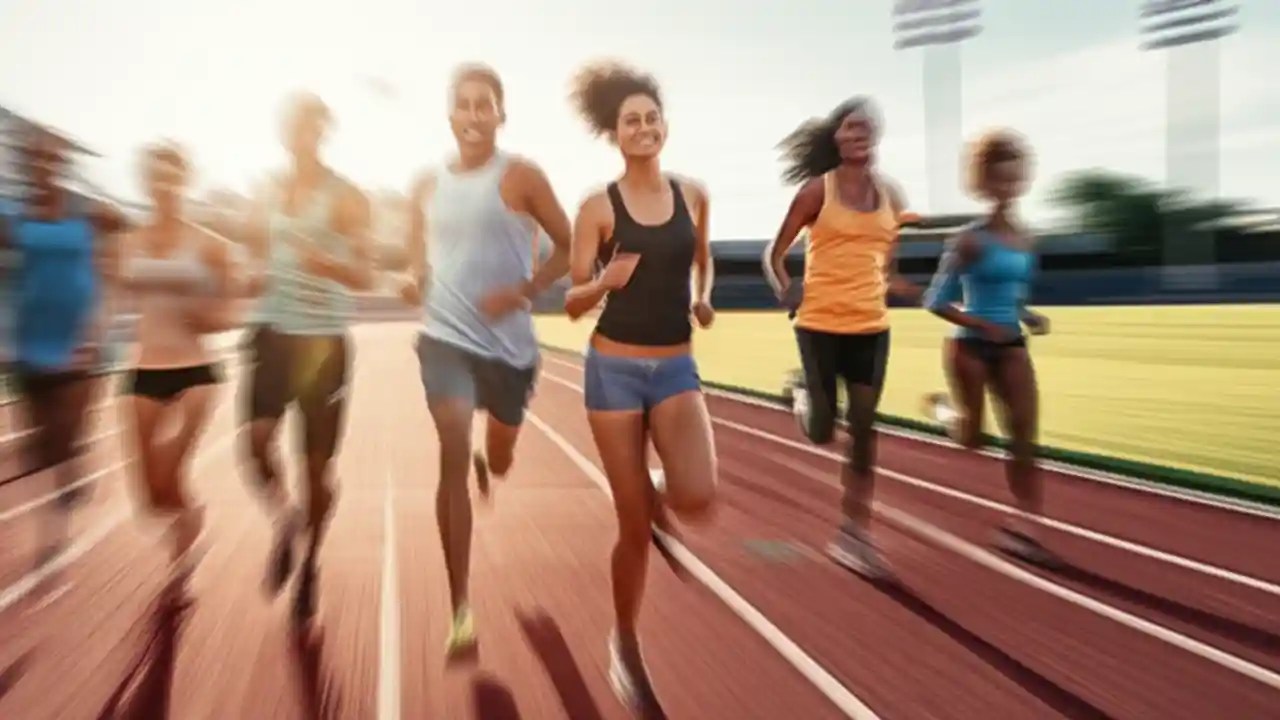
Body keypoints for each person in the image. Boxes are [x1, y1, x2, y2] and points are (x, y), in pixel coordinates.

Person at [398, 63, 572, 659]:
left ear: (501, 114)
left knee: (499, 458)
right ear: (450, 114)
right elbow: (413, 245)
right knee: (450, 448)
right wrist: (414, 275)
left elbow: (569, 246)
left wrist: (525, 289)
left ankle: (488, 459)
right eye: (464, 104)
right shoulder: (425, 182)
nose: (473, 115)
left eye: (484, 105)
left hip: (509, 350)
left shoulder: (522, 176)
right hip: (444, 338)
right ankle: (460, 609)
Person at [563, 61, 717, 719]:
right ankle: (624, 639)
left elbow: (703, 258)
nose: (644, 128)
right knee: (631, 526)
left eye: (652, 117)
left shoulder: (695, 195)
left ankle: (656, 488)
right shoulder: (597, 207)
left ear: (664, 125)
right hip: (614, 370)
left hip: (676, 365)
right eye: (632, 121)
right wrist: (603, 282)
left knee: (697, 496)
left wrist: (704, 297)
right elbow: (571, 301)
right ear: (615, 132)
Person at [762, 97, 919, 582]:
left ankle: (854, 533)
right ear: (837, 137)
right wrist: (786, 287)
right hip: (819, 323)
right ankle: (802, 394)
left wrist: (902, 287)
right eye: (850, 127)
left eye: (866, 127)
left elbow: (886, 264)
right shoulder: (817, 191)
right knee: (823, 430)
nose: (858, 133)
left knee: (865, 430)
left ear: (876, 136)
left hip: (870, 327)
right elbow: (774, 252)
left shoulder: (891, 196)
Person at [239, 92, 374, 623]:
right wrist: (250, 276)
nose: (302, 135)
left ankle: (312, 560)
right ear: (282, 131)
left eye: (311, 126)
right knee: (254, 447)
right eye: (293, 125)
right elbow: (256, 253)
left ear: (323, 131)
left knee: (316, 471)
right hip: (272, 334)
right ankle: (286, 518)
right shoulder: (268, 189)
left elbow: (364, 274)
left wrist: (328, 264)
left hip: (322, 344)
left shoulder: (347, 197)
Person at [921, 129, 1056, 566]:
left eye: (1014, 178)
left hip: (1012, 345)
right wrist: (981, 324)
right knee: (972, 439)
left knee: (1023, 436)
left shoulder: (1027, 238)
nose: (1007, 187)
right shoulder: (968, 240)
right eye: (999, 179)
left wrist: (1028, 316)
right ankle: (946, 412)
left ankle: (1025, 527)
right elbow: (935, 301)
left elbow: (1011, 295)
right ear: (982, 182)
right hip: (971, 348)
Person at [112, 141, 242, 582]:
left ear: (185, 181)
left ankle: (183, 556)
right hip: (144, 370)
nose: (163, 186)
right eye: (155, 177)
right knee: (151, 498)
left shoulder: (210, 245)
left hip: (196, 371)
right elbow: (112, 303)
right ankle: (188, 516)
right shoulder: (128, 243)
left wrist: (208, 317)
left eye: (171, 177)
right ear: (145, 182)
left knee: (171, 470)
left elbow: (232, 311)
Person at [1, 127, 128, 563]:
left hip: (81, 344)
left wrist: (97, 328)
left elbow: (115, 257)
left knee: (66, 435)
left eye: (51, 159)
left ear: (63, 165)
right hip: (28, 342)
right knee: (39, 446)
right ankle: (67, 473)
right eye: (32, 158)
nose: (41, 166)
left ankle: (55, 531)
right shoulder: (11, 215)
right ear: (22, 163)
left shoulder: (89, 211)